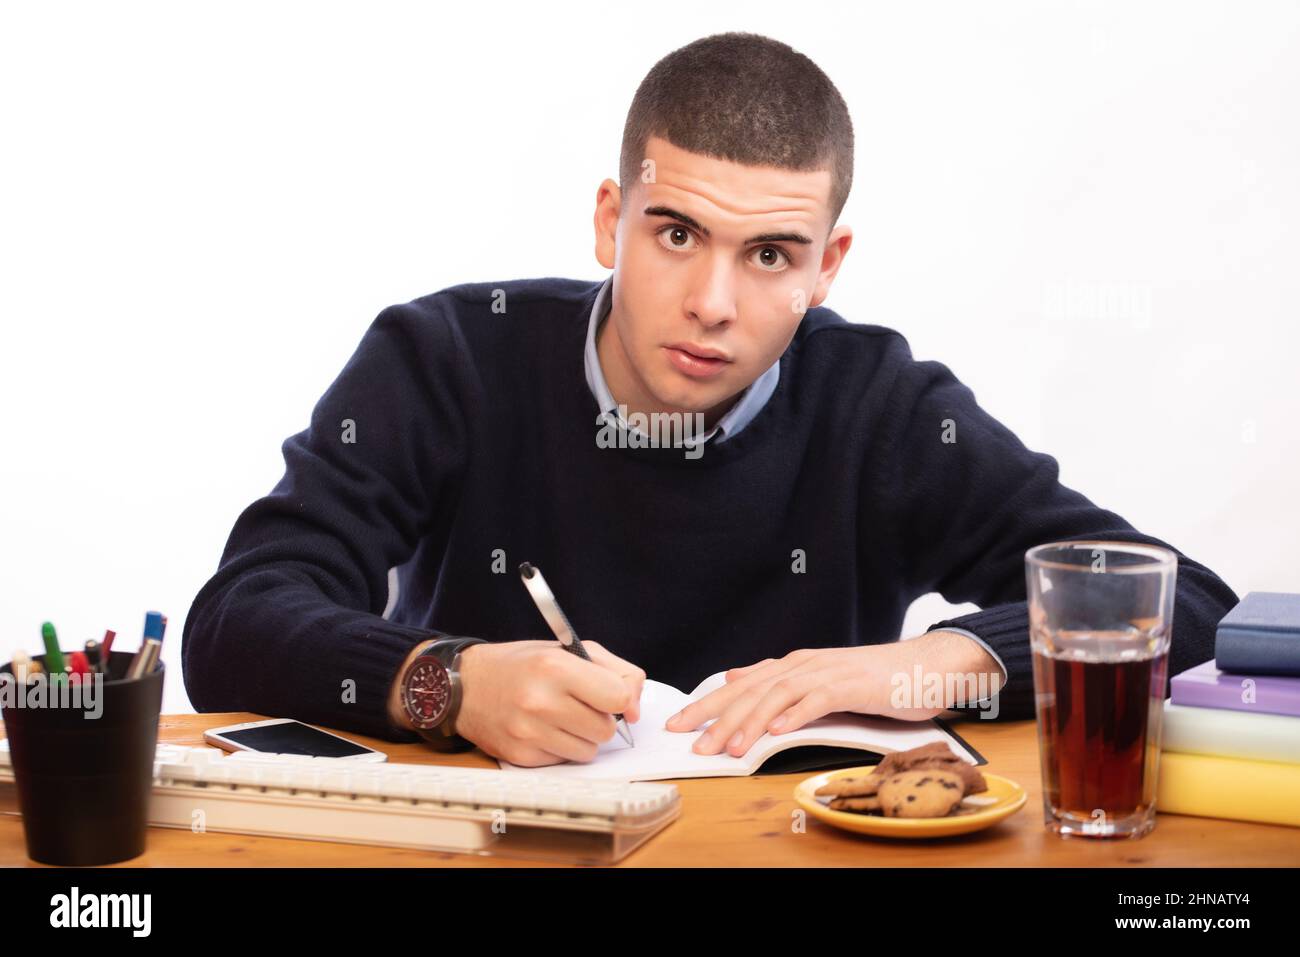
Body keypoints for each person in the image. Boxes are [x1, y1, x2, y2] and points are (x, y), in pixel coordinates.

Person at [181, 31, 1237, 768]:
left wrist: (919, 668)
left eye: (770, 254)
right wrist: (446, 681)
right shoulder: (448, 354)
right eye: (676, 234)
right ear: (610, 220)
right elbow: (235, 622)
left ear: (827, 266)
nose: (712, 304)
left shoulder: (881, 405)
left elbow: (1183, 605)